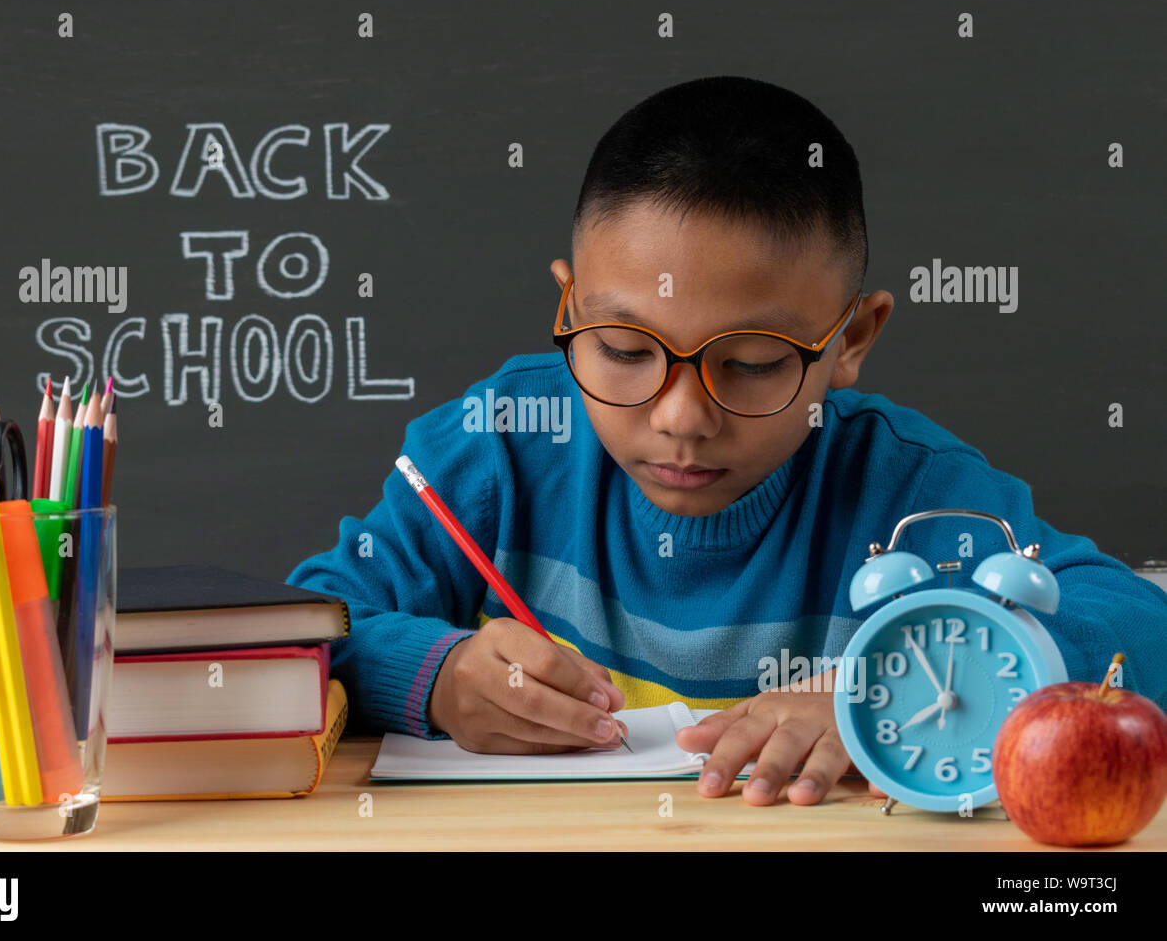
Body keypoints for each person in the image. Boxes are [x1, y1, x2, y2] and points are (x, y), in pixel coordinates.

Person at [288, 75, 1167, 805]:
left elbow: (1137, 625)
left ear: (853, 340)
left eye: (750, 363)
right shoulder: (499, 446)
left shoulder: (911, 491)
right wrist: (435, 677)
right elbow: (306, 629)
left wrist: (891, 689)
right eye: (626, 351)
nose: (680, 416)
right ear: (567, 308)